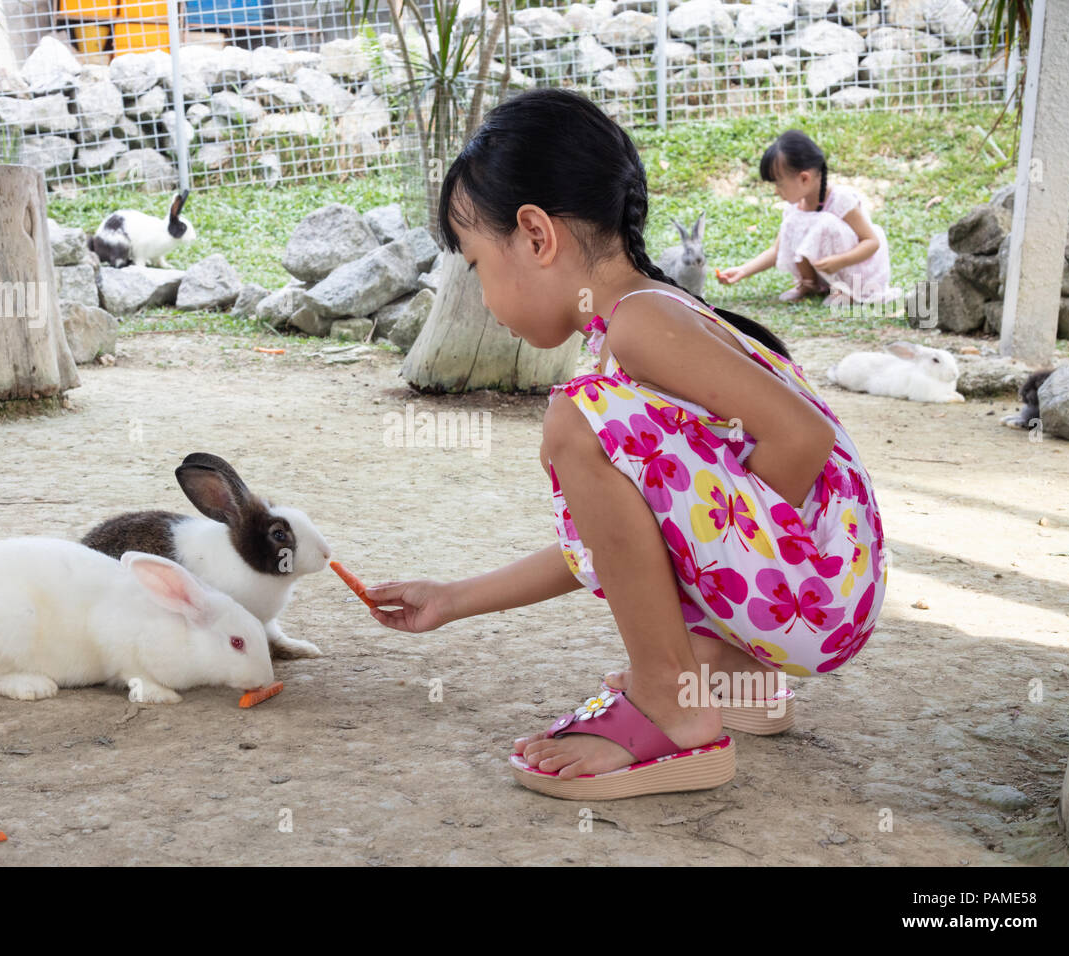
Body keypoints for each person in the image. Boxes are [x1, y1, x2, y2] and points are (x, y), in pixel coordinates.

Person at [363, 90, 887, 801]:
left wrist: (734, 572)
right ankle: (734, 678)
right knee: (588, 430)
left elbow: (803, 437)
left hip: (820, 588)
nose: (483, 295)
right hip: (823, 593)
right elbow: (629, 542)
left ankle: (675, 703)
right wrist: (454, 599)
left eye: (478, 264)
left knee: (575, 423)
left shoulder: (640, 327)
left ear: (536, 235)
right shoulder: (643, 324)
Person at [717, 129, 896, 308]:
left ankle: (847, 290)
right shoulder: (794, 208)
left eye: (779, 185)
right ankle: (810, 285)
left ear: (804, 178)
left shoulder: (841, 200)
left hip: (858, 272)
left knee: (825, 223)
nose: (776, 192)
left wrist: (840, 261)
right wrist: (742, 271)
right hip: (828, 270)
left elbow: (871, 242)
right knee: (793, 222)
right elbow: (776, 251)